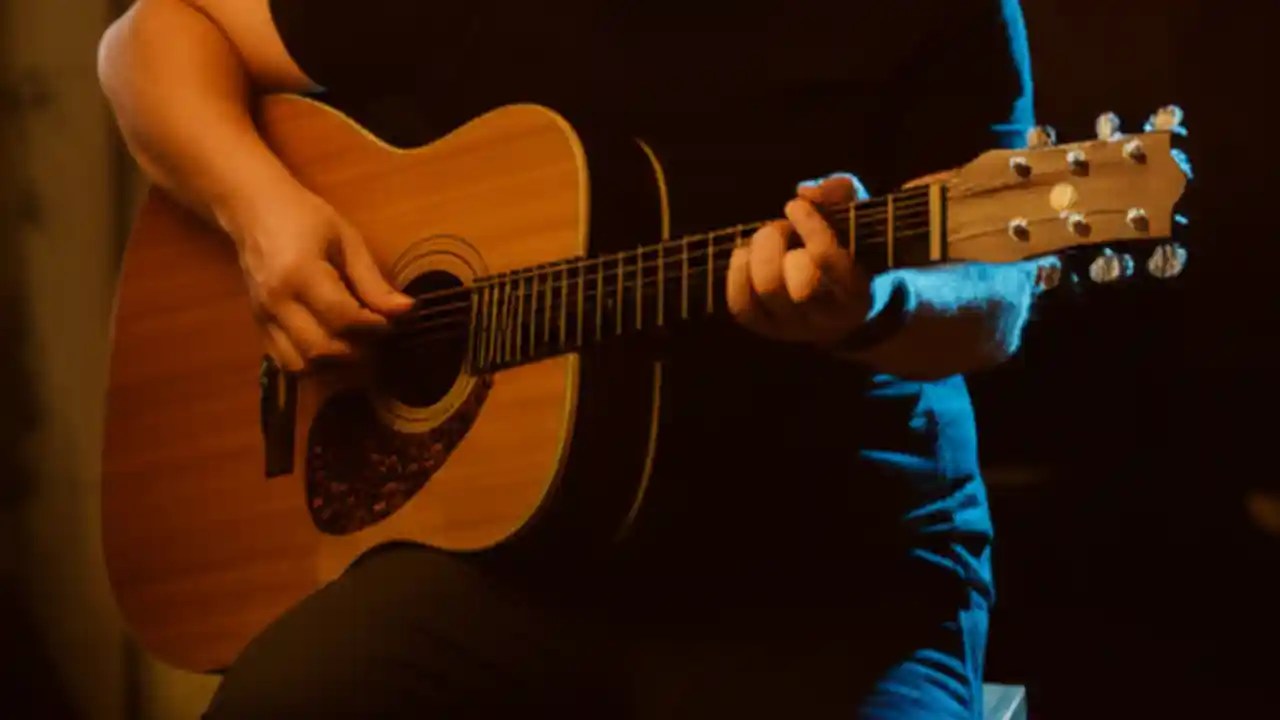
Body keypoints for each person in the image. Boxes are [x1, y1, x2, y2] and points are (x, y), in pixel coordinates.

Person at [98, 1, 1047, 717]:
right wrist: (260, 212)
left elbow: (994, 299)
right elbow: (153, 36)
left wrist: (875, 305)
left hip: (824, 579)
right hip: (503, 571)